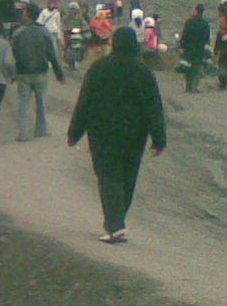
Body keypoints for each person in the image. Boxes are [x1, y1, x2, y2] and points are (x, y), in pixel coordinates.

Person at [68, 26, 168, 244]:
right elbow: (154, 108)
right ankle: (117, 221)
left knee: (108, 176)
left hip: (102, 133)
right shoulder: (143, 72)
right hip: (134, 135)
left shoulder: (99, 68)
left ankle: (115, 225)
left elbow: (84, 102)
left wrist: (74, 132)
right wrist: (159, 139)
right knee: (127, 178)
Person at [10, 4, 67, 140]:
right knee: (41, 102)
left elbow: (12, 54)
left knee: (23, 103)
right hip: (41, 72)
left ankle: (24, 133)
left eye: (24, 12)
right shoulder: (44, 32)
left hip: (23, 73)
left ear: (28, 14)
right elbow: (52, 54)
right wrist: (60, 75)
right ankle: (41, 130)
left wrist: (12, 74)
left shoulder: (18, 32)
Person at [178, 4, 210, 92]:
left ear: (196, 11)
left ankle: (188, 86)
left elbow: (184, 36)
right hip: (199, 49)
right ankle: (194, 86)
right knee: (197, 68)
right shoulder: (205, 23)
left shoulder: (189, 22)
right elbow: (207, 38)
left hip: (189, 48)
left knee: (188, 67)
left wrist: (181, 46)